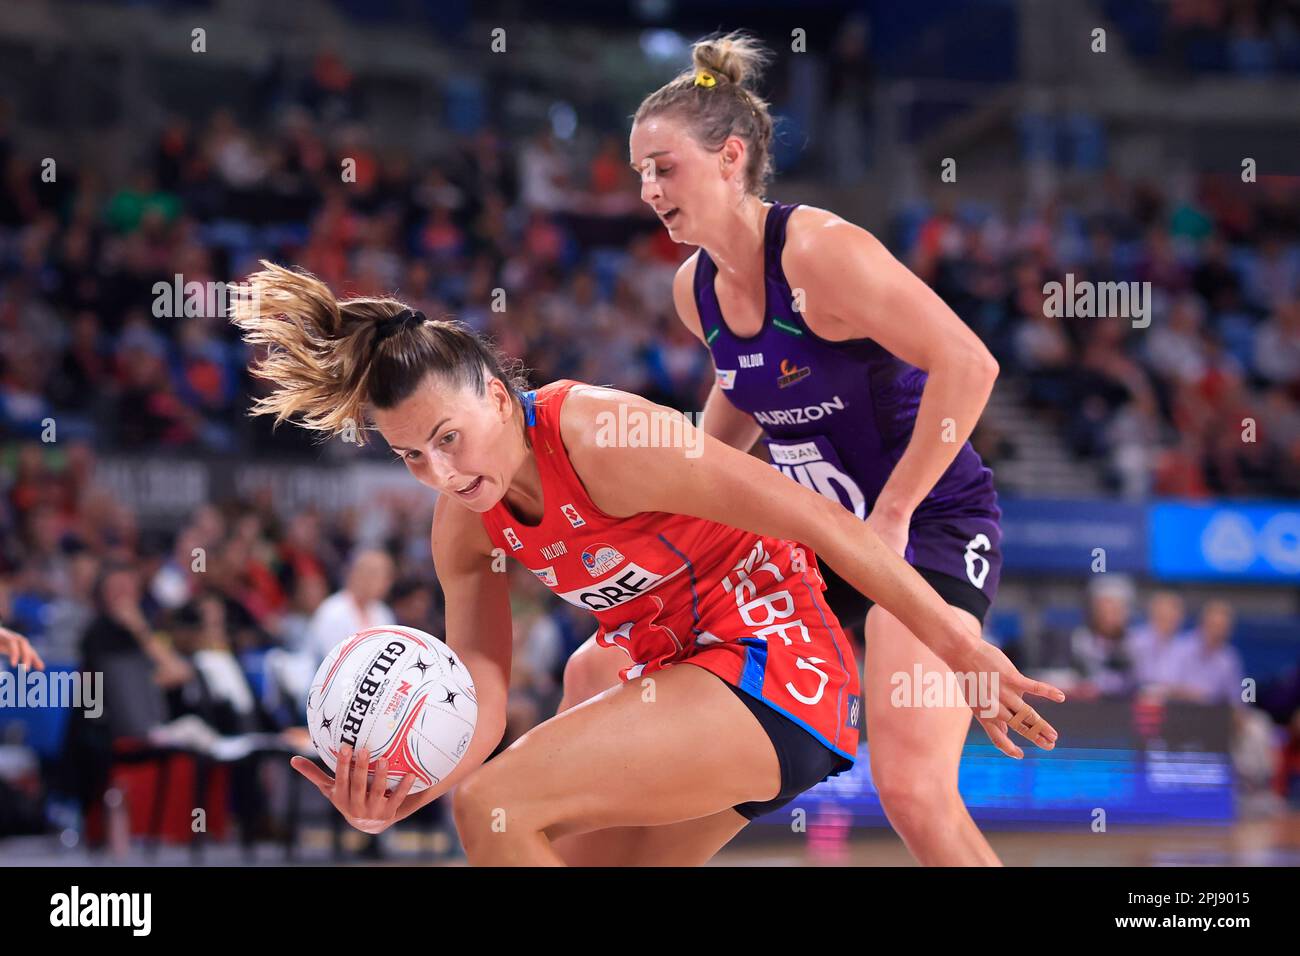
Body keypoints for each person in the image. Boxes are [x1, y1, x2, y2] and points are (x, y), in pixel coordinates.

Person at [232, 261, 1062, 866]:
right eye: (412, 456)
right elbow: (480, 689)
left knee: (493, 810)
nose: (442, 472)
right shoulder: (464, 524)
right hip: (688, 682)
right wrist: (410, 786)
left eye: (447, 439)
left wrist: (959, 647)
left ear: (492, 392)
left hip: (777, 662)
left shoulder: (602, 437)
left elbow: (823, 523)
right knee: (515, 821)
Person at [565, 32, 1010, 865]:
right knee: (606, 669)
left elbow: (970, 363)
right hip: (822, 539)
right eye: (639, 174)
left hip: (930, 522)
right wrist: (672, 511)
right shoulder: (693, 288)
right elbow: (744, 390)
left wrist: (895, 513)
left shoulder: (818, 251)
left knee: (914, 790)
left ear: (730, 157)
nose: (648, 189)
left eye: (664, 168)